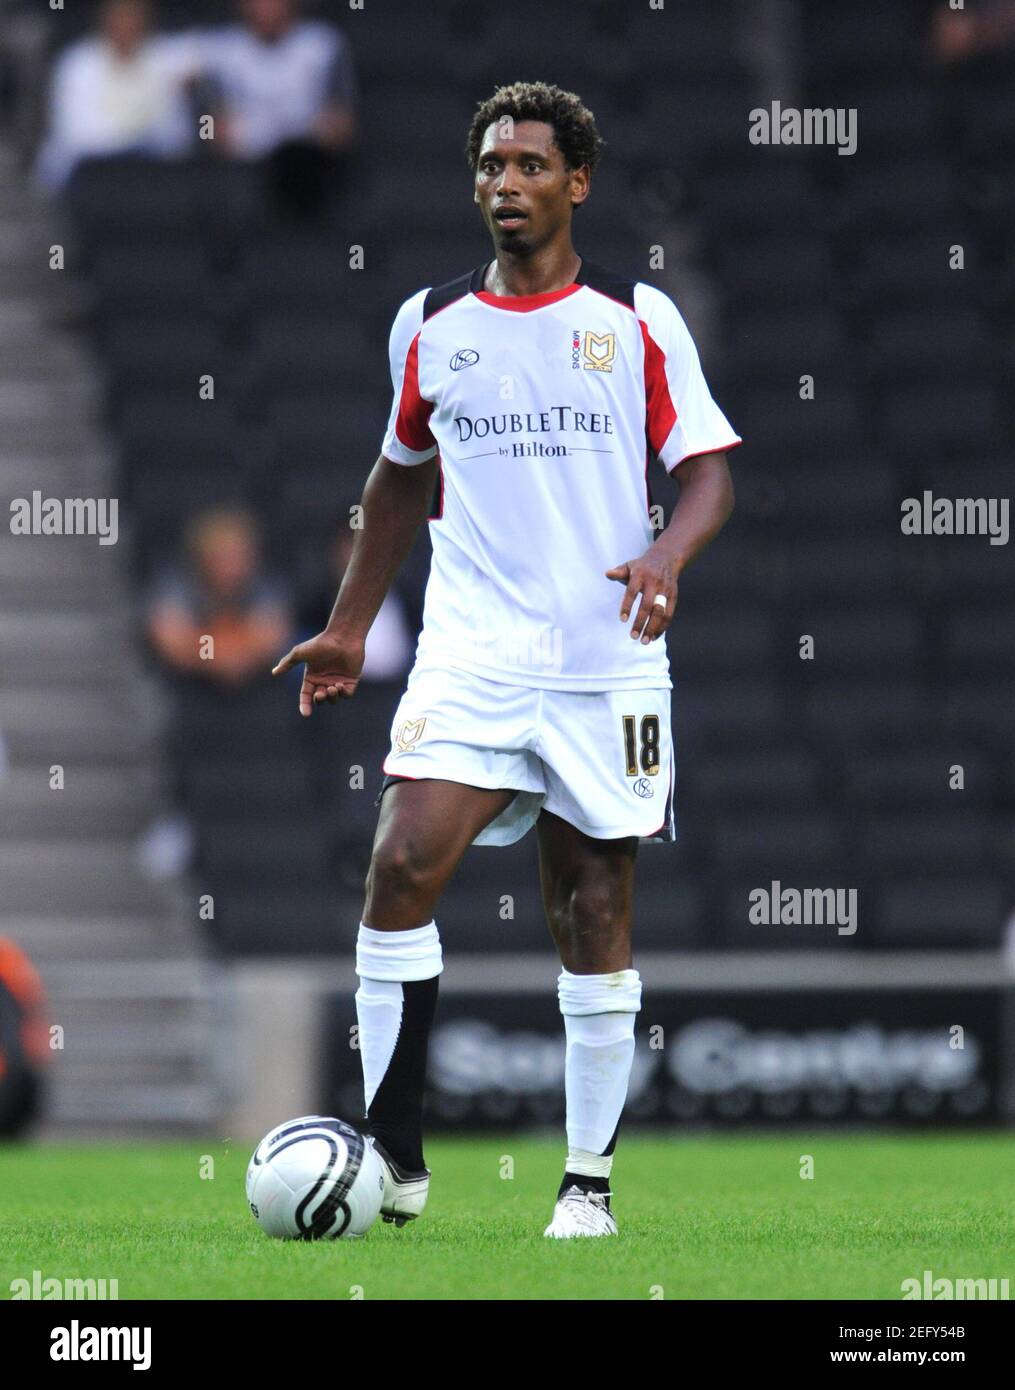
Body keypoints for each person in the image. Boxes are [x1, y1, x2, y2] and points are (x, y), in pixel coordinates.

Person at [272, 82, 741, 1238]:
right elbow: (396, 479)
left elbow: (712, 471)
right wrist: (346, 622)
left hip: (603, 657)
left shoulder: (636, 317)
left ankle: (586, 1184)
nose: (506, 186)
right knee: (398, 863)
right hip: (473, 654)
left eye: (530, 166)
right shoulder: (430, 323)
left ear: (575, 182)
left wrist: (669, 555)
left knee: (591, 905)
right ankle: (396, 1156)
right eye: (490, 167)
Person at [34, 0, 201, 192]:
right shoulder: (77, 64)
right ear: (105, 21)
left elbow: (208, 50)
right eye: (120, 18)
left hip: (150, 176)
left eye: (134, 18)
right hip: (86, 177)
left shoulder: (164, 60)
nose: (126, 26)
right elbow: (79, 136)